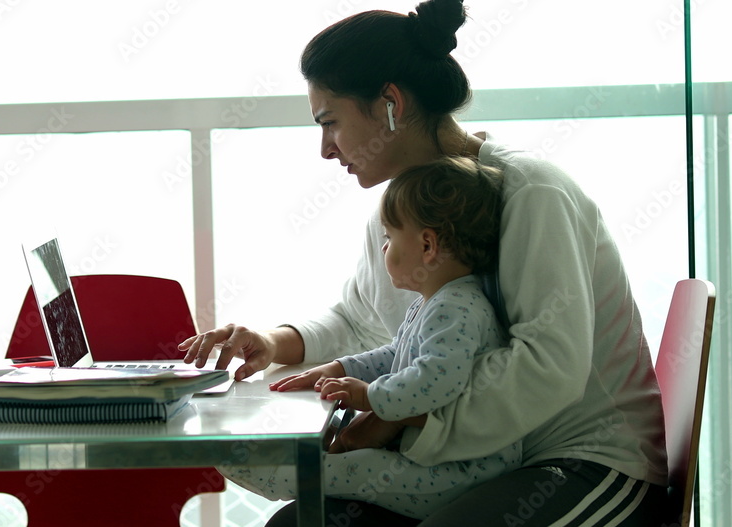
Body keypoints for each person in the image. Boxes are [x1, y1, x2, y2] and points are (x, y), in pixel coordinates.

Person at [180, 0, 670, 525]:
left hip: (586, 463)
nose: (324, 149)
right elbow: (359, 318)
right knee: (299, 522)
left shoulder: (531, 192)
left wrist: (399, 418)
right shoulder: (402, 214)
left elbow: (549, 369)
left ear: (390, 102)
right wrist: (276, 342)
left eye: (330, 121)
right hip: (477, 464)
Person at [221, 157, 520, 520]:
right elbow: (398, 354)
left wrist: (368, 396)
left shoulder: (456, 307)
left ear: (427, 247)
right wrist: (341, 367)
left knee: (361, 469)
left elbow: (435, 383)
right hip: (439, 459)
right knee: (351, 443)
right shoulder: (437, 302)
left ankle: (285, 474)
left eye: (390, 238)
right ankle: (298, 458)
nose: (383, 249)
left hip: (458, 474)